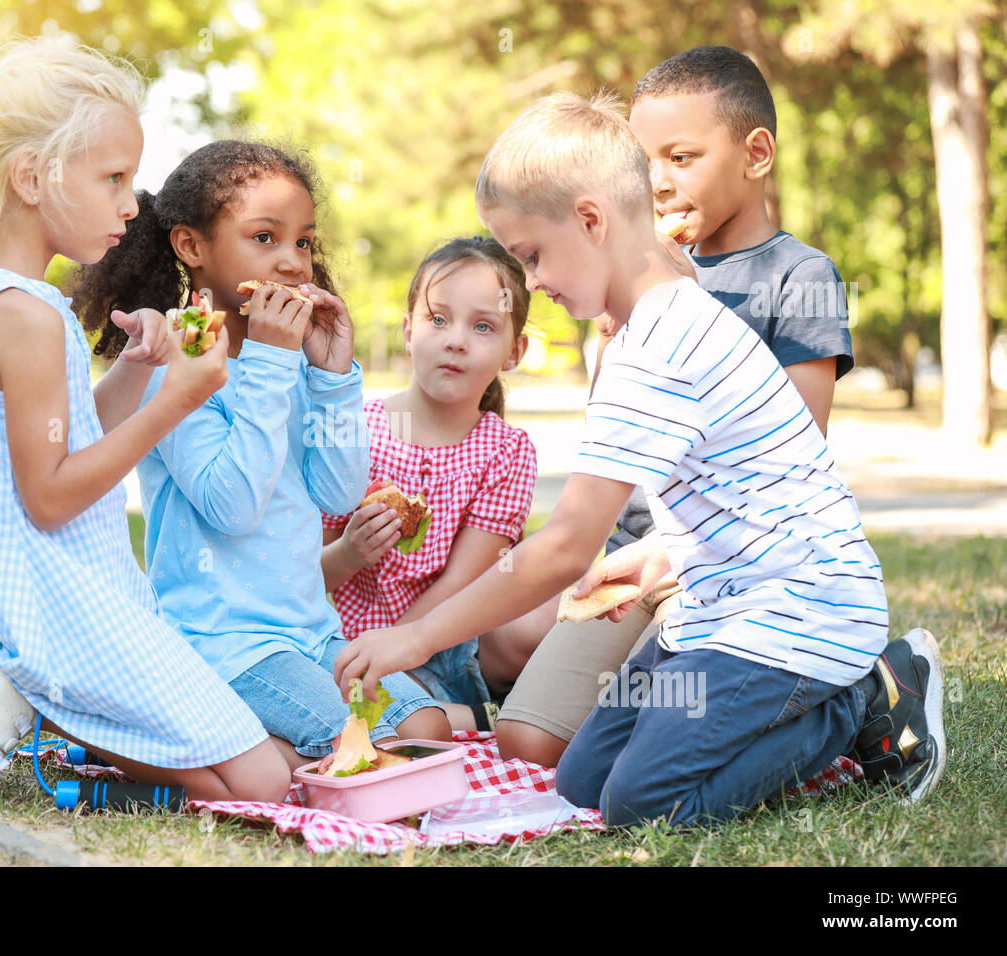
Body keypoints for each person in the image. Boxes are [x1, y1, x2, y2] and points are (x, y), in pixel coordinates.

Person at [335, 90, 944, 826]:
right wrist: (664, 558)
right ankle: (810, 698)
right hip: (718, 612)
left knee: (641, 802)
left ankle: (857, 700)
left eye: (530, 256)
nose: (532, 283)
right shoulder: (647, 326)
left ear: (591, 221)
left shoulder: (658, 343)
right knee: (584, 780)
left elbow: (560, 548)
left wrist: (413, 638)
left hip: (797, 613)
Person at [0, 40, 289, 808]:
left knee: (246, 778)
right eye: (113, 178)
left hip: (67, 587)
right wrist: (176, 399)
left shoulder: (3, 298)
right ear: (32, 177)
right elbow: (51, 496)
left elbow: (69, 443)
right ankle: (25, 689)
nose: (132, 203)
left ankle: (40, 707)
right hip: (65, 597)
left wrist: (137, 371)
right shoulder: (27, 317)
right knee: (268, 781)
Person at [496, 45, 860, 766]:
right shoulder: (629, 269)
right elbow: (614, 435)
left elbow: (797, 448)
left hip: (728, 567)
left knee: (654, 754)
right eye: (643, 160)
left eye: (681, 157)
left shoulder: (799, 275)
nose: (656, 181)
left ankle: (854, 694)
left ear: (756, 154)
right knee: (526, 739)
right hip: (631, 556)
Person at [71, 141, 451, 770]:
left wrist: (331, 376)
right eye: (265, 238)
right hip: (227, 645)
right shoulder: (177, 362)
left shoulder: (293, 362)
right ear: (192, 247)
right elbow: (234, 507)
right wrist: (273, 362)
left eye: (302, 242)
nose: (293, 263)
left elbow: (339, 494)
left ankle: (250, 745)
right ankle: (225, 736)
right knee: (374, 753)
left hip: (312, 632)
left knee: (426, 727)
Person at [319, 237, 539, 731]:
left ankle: (512, 705)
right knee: (388, 717)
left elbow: (465, 580)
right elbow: (307, 579)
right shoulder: (354, 430)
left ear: (514, 351)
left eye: (483, 326)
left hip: (454, 634)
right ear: (409, 331)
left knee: (549, 618)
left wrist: (401, 644)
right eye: (438, 319)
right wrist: (351, 553)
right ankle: (484, 718)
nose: (456, 339)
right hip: (353, 640)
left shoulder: (506, 449)